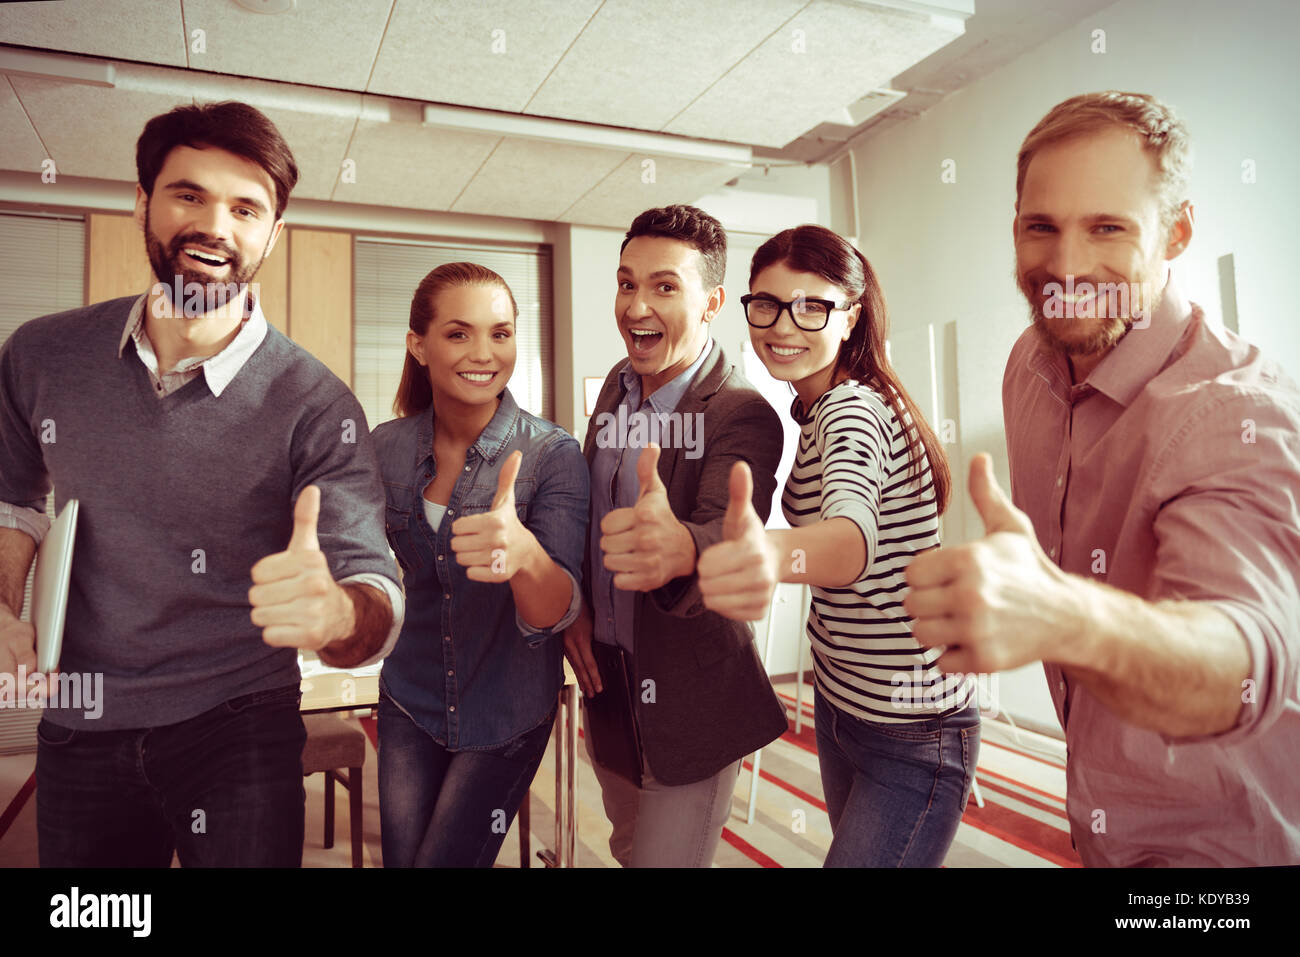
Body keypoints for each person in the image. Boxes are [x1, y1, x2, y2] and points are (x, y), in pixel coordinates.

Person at [0, 101, 403, 867]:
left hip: (238, 721)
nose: (214, 225)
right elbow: (13, 498)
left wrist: (336, 612)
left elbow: (372, 589)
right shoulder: (42, 355)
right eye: (189, 194)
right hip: (83, 713)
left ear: (273, 234)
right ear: (143, 202)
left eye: (245, 207)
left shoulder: (318, 404)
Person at [904, 91, 1300, 866]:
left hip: (1224, 856)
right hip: (1095, 814)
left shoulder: (1233, 410)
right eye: (1041, 227)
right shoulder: (1031, 363)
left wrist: (1062, 616)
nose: (1068, 266)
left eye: (1108, 228)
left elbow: (1242, 664)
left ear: (1176, 231)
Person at [696, 224, 979, 867]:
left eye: (813, 306)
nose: (783, 324)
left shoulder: (850, 409)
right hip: (846, 700)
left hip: (912, 727)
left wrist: (754, 553)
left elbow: (848, 545)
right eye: (766, 303)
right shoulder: (826, 405)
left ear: (849, 317)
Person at [562, 204, 788, 868]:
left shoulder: (741, 411)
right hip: (609, 685)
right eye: (627, 282)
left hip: (692, 696)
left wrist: (684, 546)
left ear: (712, 301)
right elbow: (588, 504)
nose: (637, 305)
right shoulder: (616, 389)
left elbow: (724, 526)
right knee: (632, 847)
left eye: (664, 286)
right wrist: (576, 601)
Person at [370, 262, 588, 867]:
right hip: (410, 697)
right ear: (419, 345)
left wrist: (523, 557)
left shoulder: (551, 455)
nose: (484, 352)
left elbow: (554, 610)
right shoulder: (384, 446)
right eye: (459, 333)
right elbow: (355, 561)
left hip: (506, 707)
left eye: (501, 332)